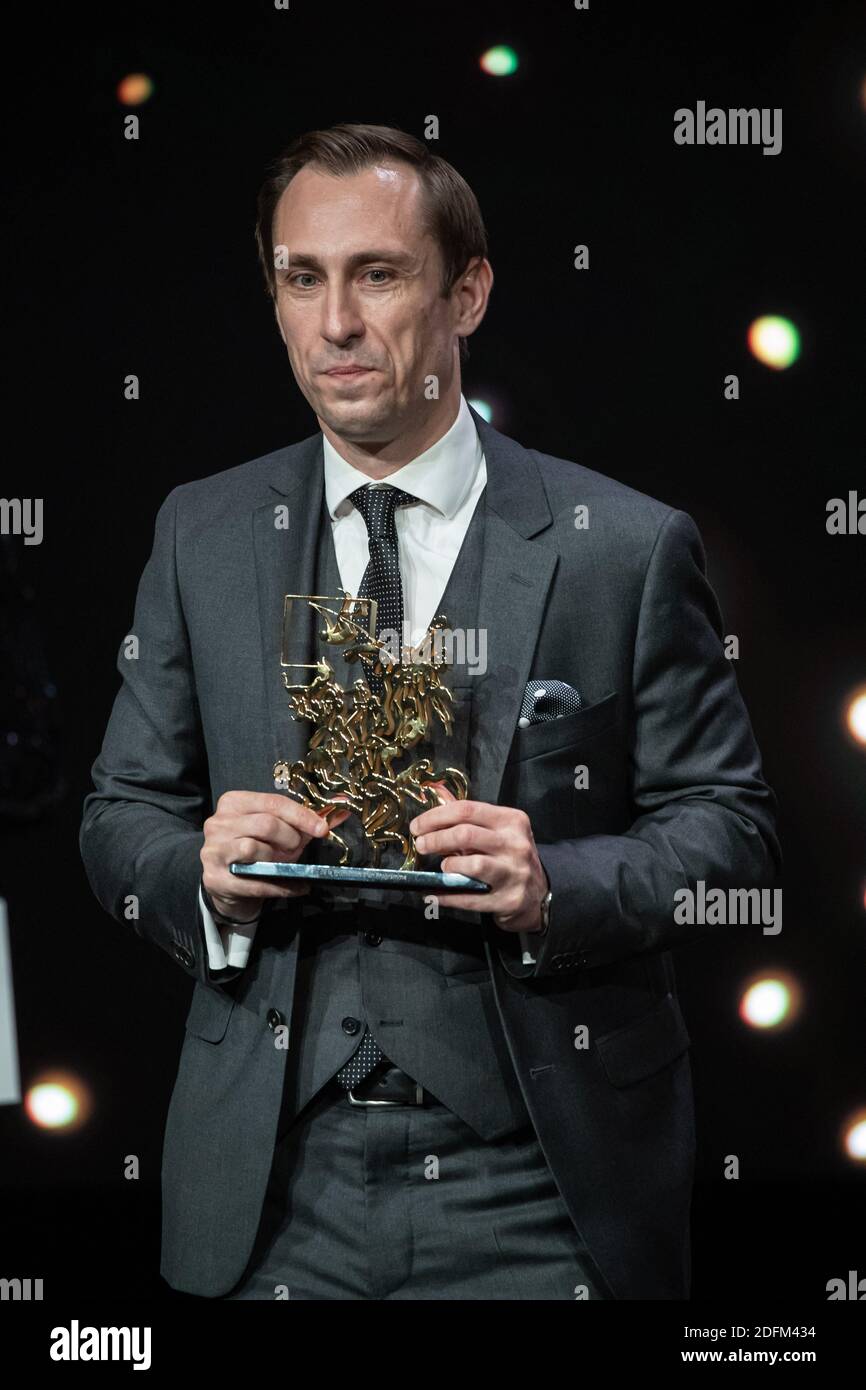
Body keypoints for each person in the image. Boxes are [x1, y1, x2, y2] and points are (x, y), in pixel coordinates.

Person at [80, 123, 781, 1300]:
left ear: (466, 293)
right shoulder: (200, 531)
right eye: (301, 278)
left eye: (378, 274)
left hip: (536, 1188)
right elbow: (118, 813)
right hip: (266, 1184)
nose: (336, 323)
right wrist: (198, 874)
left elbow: (733, 833)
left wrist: (557, 883)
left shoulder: (621, 546)